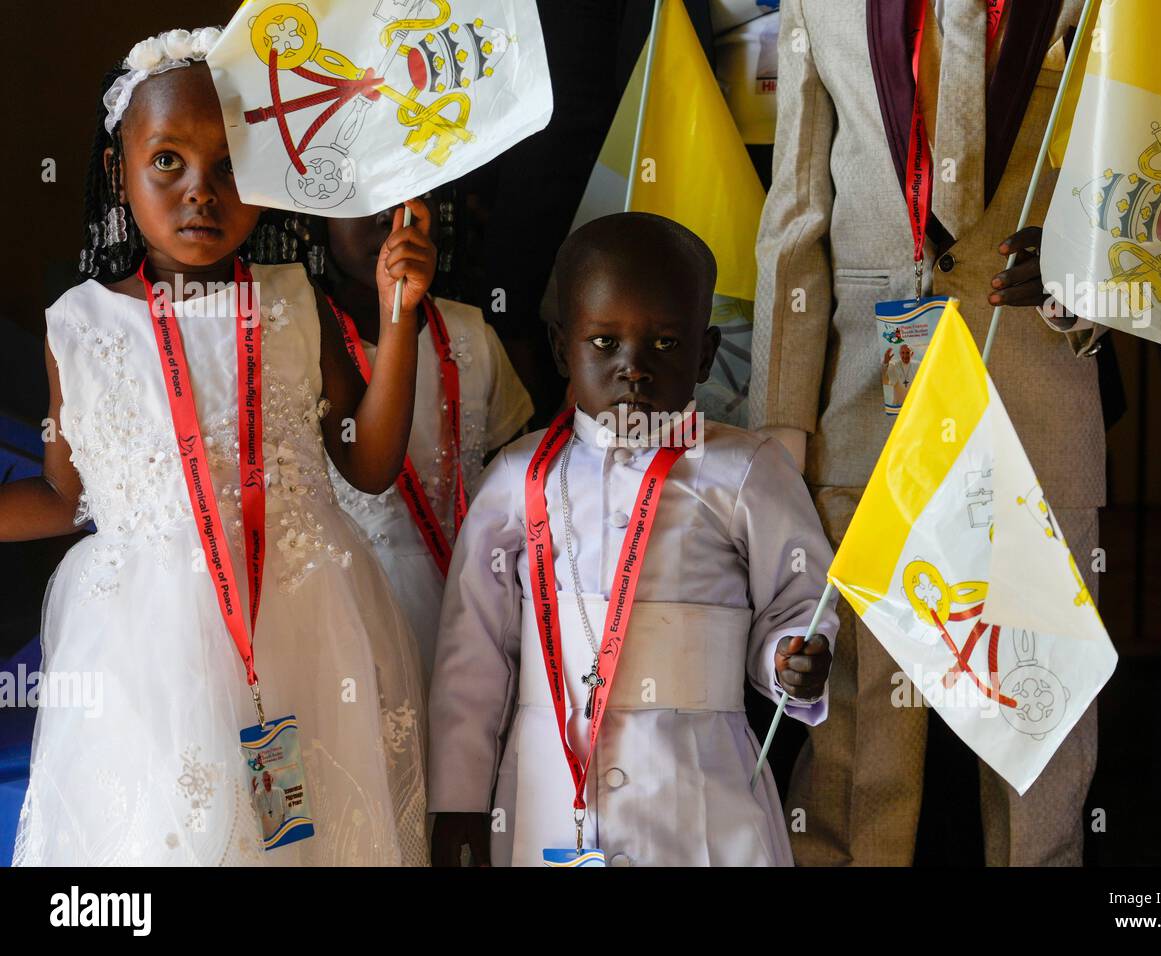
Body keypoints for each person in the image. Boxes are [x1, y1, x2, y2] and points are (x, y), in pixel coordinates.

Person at [1, 29, 429, 866]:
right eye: (169, 162)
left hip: (304, 614)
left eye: (231, 166)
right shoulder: (79, 327)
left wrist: (398, 316)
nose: (202, 191)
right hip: (143, 642)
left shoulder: (293, 301)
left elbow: (369, 465)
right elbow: (63, 496)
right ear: (119, 172)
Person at [751, 0, 1105, 866]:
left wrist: (1081, 277)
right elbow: (796, 214)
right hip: (870, 390)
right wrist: (782, 431)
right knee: (863, 712)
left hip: (1037, 384)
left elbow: (1138, 189)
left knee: (1041, 706)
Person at [426, 212, 838, 866]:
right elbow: (472, 653)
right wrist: (457, 803)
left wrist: (789, 658)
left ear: (705, 354)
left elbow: (799, 601)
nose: (634, 370)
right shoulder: (515, 478)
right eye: (604, 343)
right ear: (562, 347)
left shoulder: (747, 470)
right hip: (545, 791)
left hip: (700, 787)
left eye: (666, 346)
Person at [304, 208, 533, 684]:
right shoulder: (301, 340)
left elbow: (516, 491)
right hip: (345, 610)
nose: (387, 221)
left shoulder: (472, 333)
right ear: (314, 219)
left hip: (471, 603)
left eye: (402, 200)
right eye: (362, 204)